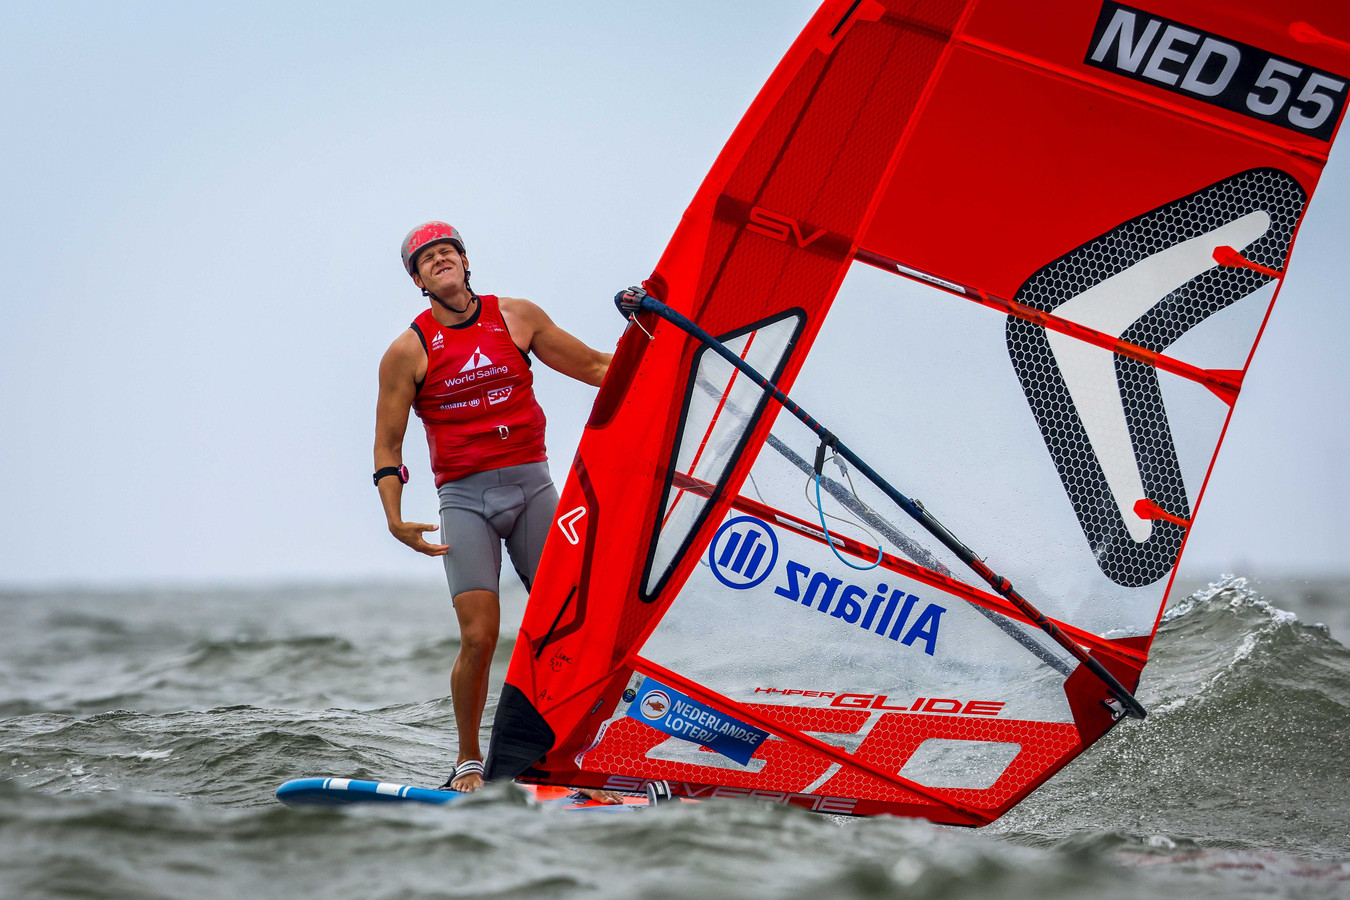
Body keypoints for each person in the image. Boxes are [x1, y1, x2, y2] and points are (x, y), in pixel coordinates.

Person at [374, 221, 615, 797]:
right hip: (465, 502)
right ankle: (468, 762)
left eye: (447, 251)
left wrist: (665, 340)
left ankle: (579, 750)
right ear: (418, 280)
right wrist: (395, 518)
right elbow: (388, 446)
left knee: (574, 625)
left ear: (465, 261)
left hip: (534, 491)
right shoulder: (408, 351)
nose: (440, 260)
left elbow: (597, 368)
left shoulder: (516, 317)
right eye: (427, 259)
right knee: (480, 637)